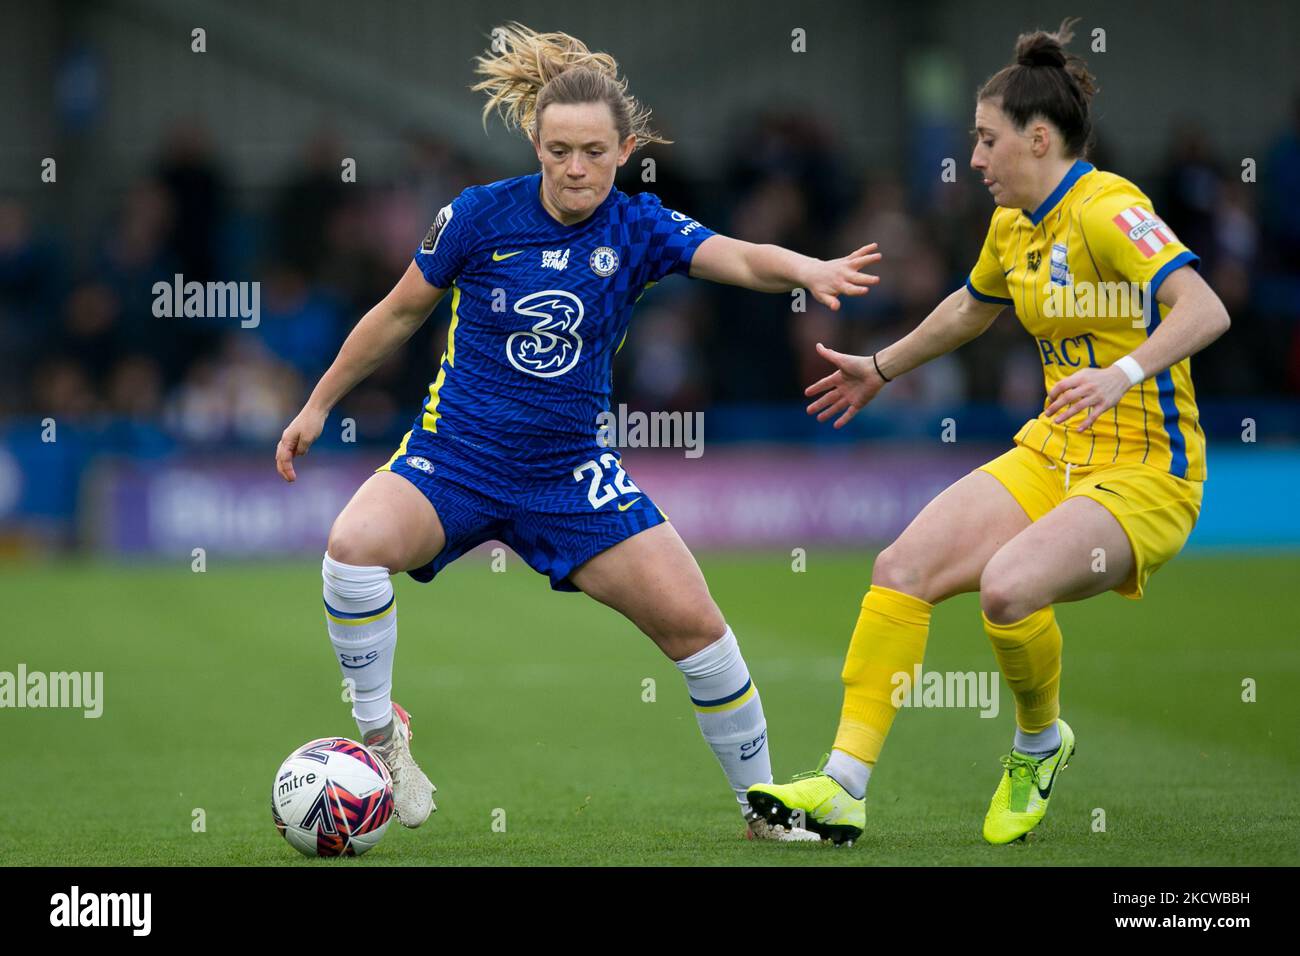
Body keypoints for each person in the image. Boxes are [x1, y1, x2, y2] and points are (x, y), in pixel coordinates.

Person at [274, 22, 881, 840]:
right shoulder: (477, 217)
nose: (575, 167)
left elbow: (735, 256)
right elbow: (395, 315)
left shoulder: (637, 228)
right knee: (351, 548)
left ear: (624, 148)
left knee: (697, 627)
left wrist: (805, 269)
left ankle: (761, 809)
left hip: (569, 474)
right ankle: (383, 737)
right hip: (455, 458)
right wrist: (317, 404)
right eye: (559, 149)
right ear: (535, 141)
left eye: (593, 151)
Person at [747, 18, 1230, 846]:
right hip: (1055, 450)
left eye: (985, 140)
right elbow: (972, 306)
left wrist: (1122, 373)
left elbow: (1206, 308)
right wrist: (882, 366)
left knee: (1008, 589)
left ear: (1038, 139)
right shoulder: (1014, 225)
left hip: (1148, 471)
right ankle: (842, 787)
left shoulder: (1112, 209)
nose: (972, 159)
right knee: (900, 567)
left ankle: (1039, 745)